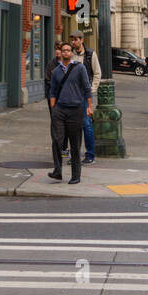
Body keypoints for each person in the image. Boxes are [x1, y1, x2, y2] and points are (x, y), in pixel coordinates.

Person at [47, 42, 92, 185]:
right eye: (63, 50)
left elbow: (86, 88)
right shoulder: (56, 71)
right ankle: (57, 171)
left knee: (75, 143)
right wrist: (53, 109)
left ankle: (75, 175)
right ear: (60, 53)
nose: (65, 52)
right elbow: (52, 91)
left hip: (76, 109)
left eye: (68, 50)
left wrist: (89, 106)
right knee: (57, 140)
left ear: (72, 53)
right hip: (60, 110)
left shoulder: (80, 68)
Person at [70, 30, 101, 164]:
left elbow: (97, 73)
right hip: (71, 94)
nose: (73, 42)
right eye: (72, 39)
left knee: (86, 124)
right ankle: (74, 155)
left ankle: (90, 155)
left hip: (84, 95)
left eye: (76, 39)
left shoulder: (90, 54)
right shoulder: (70, 53)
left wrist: (91, 90)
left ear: (82, 40)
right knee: (73, 126)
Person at [44, 41, 62, 109]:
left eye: (59, 49)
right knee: (54, 116)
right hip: (53, 94)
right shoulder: (51, 64)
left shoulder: (68, 63)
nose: (57, 51)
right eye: (56, 49)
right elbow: (47, 79)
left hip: (65, 96)